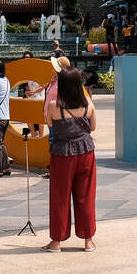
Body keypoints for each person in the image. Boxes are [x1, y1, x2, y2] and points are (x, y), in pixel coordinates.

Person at [43, 66, 96, 252]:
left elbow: (49, 124)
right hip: (86, 152)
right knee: (86, 196)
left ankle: (56, 241)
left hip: (62, 153)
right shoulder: (88, 104)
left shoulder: (53, 107)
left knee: (60, 197)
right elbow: (93, 127)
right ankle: (88, 240)